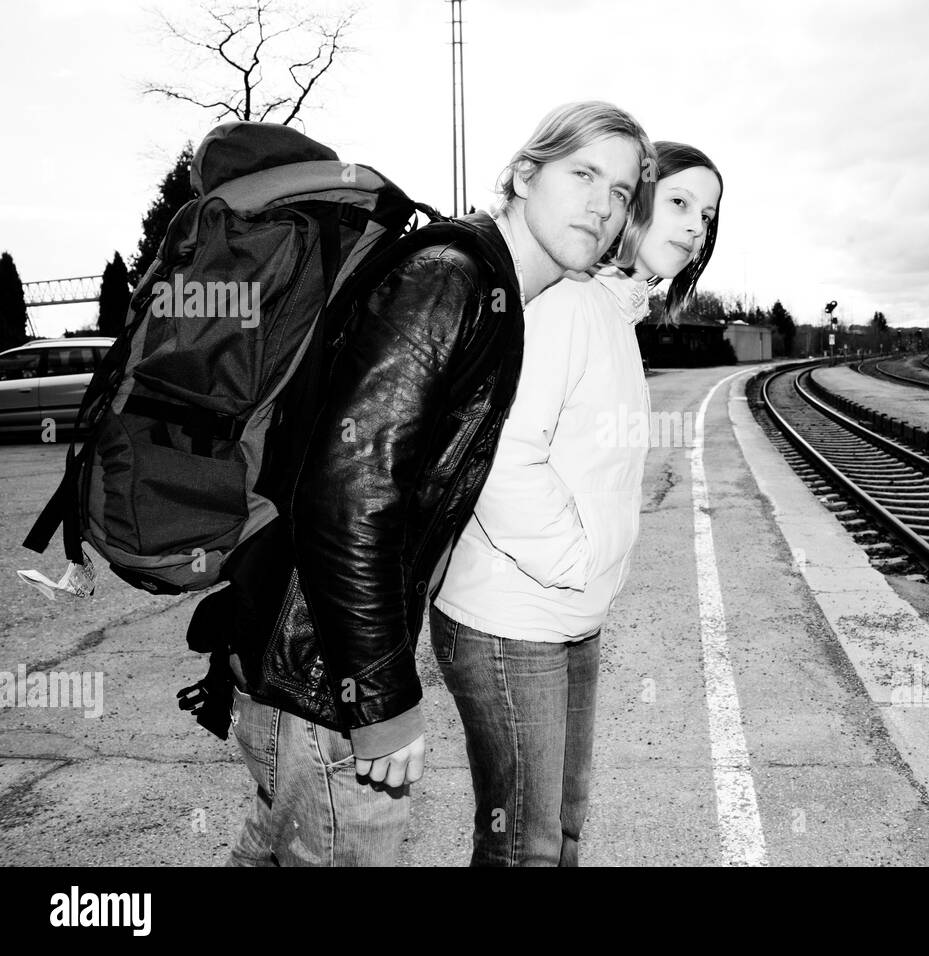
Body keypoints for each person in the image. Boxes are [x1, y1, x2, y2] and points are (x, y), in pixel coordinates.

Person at [211, 101, 654, 866]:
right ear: (523, 173)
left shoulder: (498, 291)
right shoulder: (456, 276)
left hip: (305, 661)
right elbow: (349, 494)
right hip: (317, 677)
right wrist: (378, 699)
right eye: (583, 173)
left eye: (620, 193)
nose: (603, 205)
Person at [430, 141, 724, 866]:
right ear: (633, 206)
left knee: (558, 831)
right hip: (510, 619)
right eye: (678, 202)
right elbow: (502, 455)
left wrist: (587, 575)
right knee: (522, 846)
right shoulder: (567, 306)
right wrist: (575, 558)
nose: (694, 228)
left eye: (708, 215)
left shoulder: (614, 314)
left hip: (568, 616)